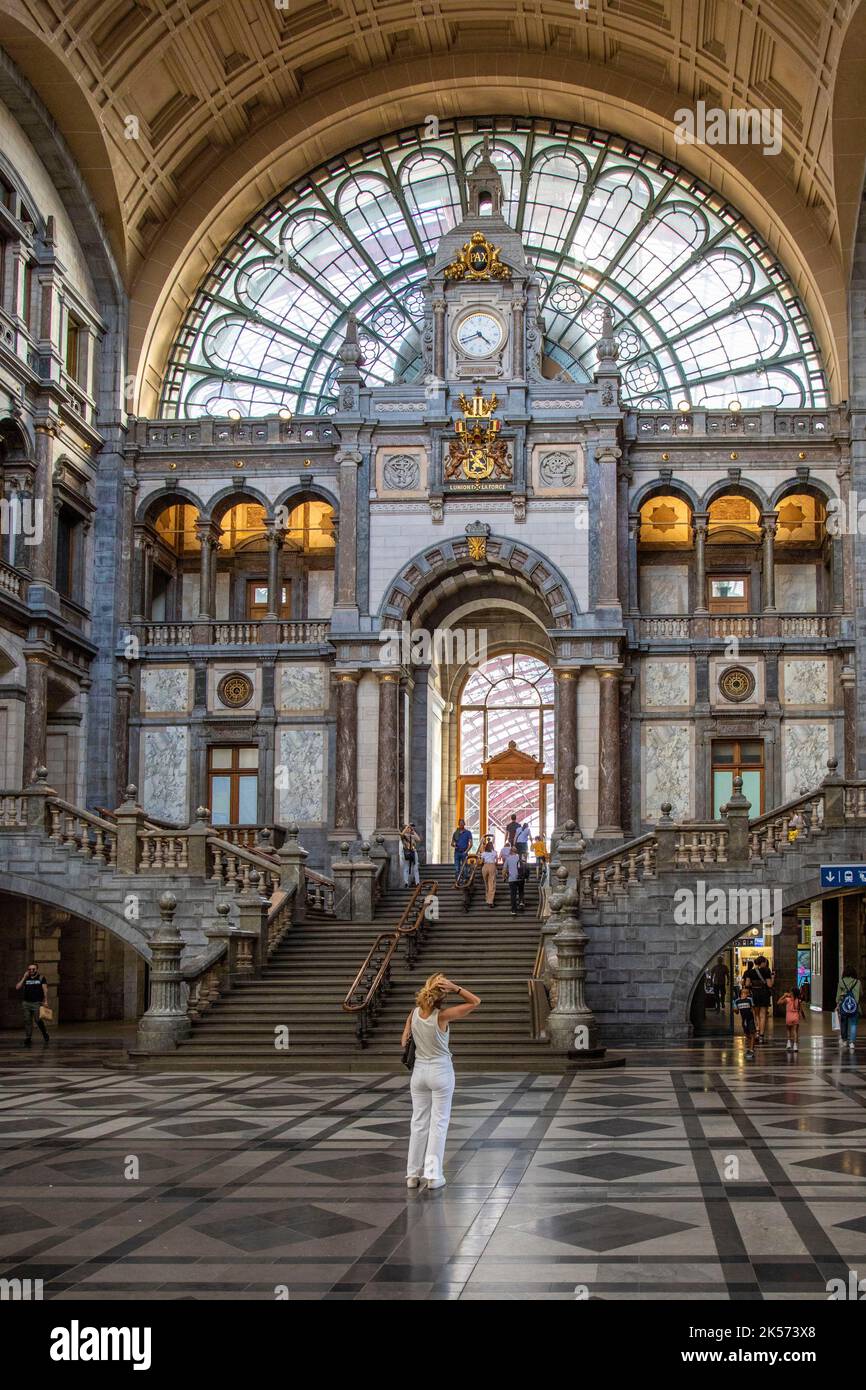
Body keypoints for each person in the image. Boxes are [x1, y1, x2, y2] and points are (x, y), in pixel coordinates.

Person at [401, 973, 481, 1189]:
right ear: (441, 998)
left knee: (418, 1123)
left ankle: (412, 1175)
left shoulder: (414, 1013)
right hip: (440, 1071)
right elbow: (475, 1002)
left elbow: (403, 1042)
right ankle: (433, 1176)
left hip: (419, 1073)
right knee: (439, 1124)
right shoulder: (442, 1017)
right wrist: (455, 987)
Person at [16, 963, 49, 1046]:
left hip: (37, 1003)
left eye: (33, 969)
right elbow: (17, 987)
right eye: (29, 969)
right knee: (27, 1020)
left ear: (36, 969)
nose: (31, 971)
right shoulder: (26, 978)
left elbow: (45, 990)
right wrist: (24, 977)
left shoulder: (41, 978)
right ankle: (28, 1037)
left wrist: (45, 1001)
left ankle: (44, 1033)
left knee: (38, 1020)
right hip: (26, 1003)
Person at [745, 955, 774, 1041]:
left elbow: (747, 984)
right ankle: (761, 1035)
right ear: (762, 963)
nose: (765, 964)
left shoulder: (750, 972)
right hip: (764, 993)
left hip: (755, 993)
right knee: (763, 1015)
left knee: (756, 1014)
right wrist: (772, 977)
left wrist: (753, 984)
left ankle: (757, 1031)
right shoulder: (766, 970)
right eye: (765, 962)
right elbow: (769, 985)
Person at [836, 965, 861, 1052]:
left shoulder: (841, 981)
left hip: (844, 1006)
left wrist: (837, 1003)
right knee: (853, 1024)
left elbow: (838, 995)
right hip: (854, 1006)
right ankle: (852, 1043)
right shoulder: (858, 982)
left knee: (844, 1023)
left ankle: (844, 1040)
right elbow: (861, 993)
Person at [734, 976, 757, 1060]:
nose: (744, 994)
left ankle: (751, 1049)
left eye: (746, 993)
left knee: (752, 1033)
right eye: (743, 993)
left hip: (750, 1019)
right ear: (740, 994)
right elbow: (737, 1011)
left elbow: (753, 1009)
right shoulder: (737, 1001)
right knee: (747, 1034)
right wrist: (735, 1009)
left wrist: (755, 1019)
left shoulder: (749, 1000)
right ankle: (751, 1045)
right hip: (744, 1020)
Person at [777, 984, 805, 1052]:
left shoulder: (787, 1000)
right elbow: (801, 1010)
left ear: (791, 993)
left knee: (788, 1030)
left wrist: (784, 995)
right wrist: (803, 1017)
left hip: (789, 1016)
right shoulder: (798, 1001)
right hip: (796, 1016)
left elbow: (778, 1002)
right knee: (795, 1031)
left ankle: (789, 1043)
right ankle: (795, 1046)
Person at [503, 844, 524, 915]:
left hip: (512, 879)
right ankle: (521, 901)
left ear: (510, 852)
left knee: (513, 895)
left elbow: (504, 869)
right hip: (521, 878)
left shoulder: (508, 859)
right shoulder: (520, 858)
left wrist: (504, 877)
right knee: (521, 890)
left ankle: (514, 910)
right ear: (516, 852)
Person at [479, 837, 498, 908]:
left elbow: (481, 861)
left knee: (486, 883)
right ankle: (490, 901)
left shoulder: (483, 853)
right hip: (492, 866)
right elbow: (496, 862)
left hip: (485, 867)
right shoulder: (494, 852)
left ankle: (487, 897)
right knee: (492, 884)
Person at [400, 822, 421, 887]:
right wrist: (406, 827)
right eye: (408, 828)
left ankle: (417, 882)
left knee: (415, 867)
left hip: (413, 852)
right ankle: (406, 883)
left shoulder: (412, 835)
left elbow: (418, 839)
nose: (409, 829)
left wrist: (413, 831)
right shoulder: (404, 836)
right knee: (406, 867)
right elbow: (401, 835)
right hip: (406, 852)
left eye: (409, 828)